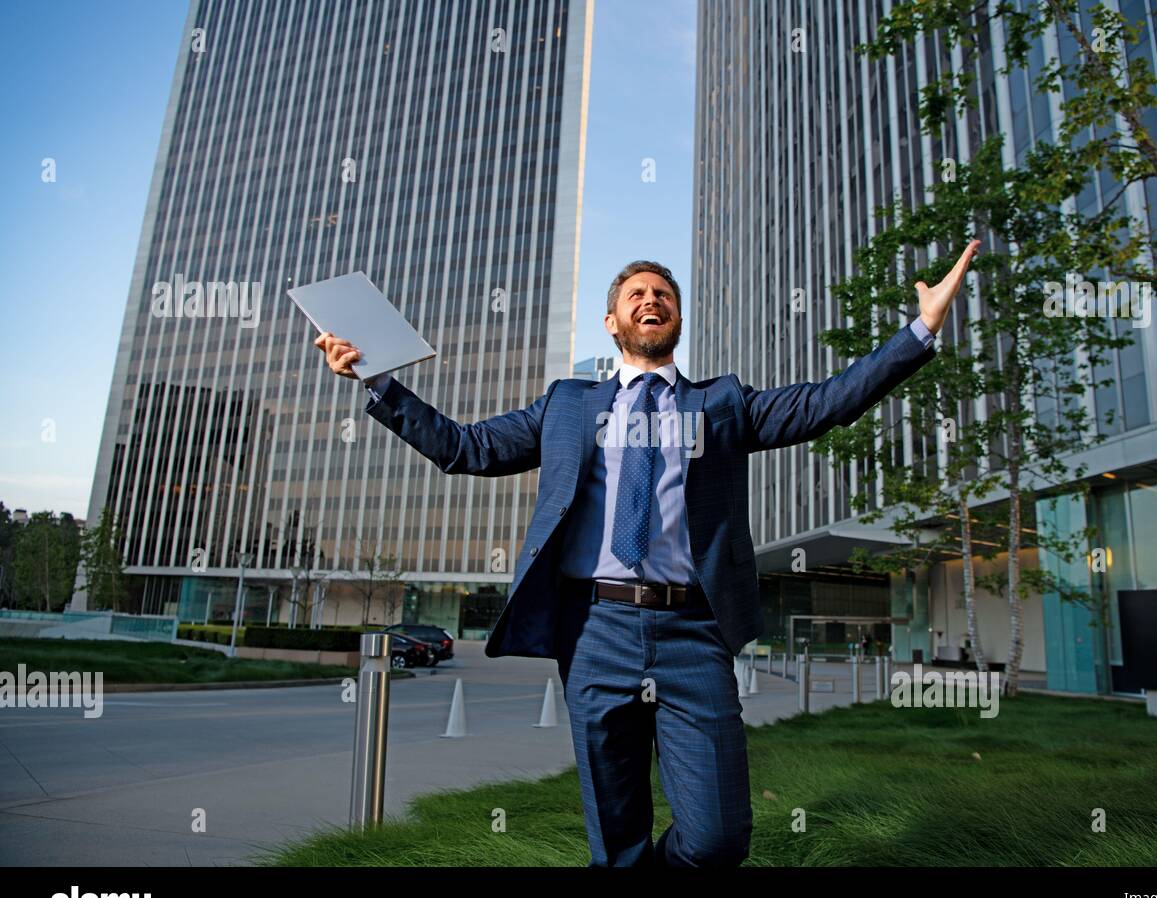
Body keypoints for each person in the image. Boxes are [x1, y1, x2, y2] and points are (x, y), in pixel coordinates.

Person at [316, 240, 979, 866]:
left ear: (678, 316)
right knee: (615, 831)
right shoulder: (567, 404)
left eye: (663, 292)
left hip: (695, 630)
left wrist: (918, 331)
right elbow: (465, 448)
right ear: (612, 320)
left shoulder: (722, 402)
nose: (651, 299)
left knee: (719, 838)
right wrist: (375, 382)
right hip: (596, 629)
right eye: (636, 293)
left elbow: (826, 403)